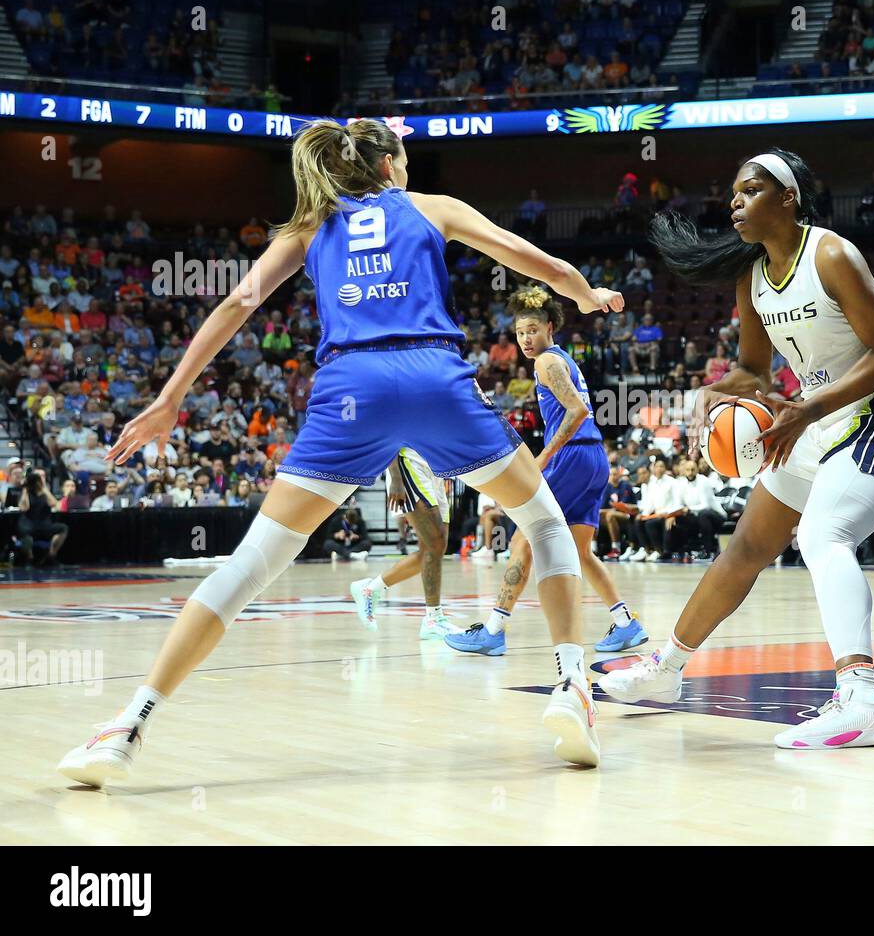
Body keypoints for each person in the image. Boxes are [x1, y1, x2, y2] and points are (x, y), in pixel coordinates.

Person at [58, 118, 622, 787]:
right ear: (388, 165)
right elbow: (541, 263)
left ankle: (129, 722)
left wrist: (172, 396)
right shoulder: (430, 207)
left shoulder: (309, 226)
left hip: (350, 390)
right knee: (547, 527)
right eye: (405, 156)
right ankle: (572, 690)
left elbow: (241, 300)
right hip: (432, 379)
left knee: (250, 566)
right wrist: (583, 292)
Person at [601, 148, 874, 751]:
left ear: (789, 199)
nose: (736, 201)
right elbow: (754, 369)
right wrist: (715, 389)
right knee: (747, 546)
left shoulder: (830, 254)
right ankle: (666, 672)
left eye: (751, 190)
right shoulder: (750, 276)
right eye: (733, 193)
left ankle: (864, 700)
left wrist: (807, 408)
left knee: (822, 537)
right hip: (814, 418)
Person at [445, 285, 647, 656]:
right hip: (593, 459)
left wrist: (544, 456)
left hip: (570, 456)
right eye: (520, 332)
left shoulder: (546, 362)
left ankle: (493, 630)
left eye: (533, 330)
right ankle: (626, 623)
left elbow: (578, 411)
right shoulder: (561, 360)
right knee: (582, 552)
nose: (525, 338)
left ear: (550, 327)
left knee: (524, 538)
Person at [348, 448, 463, 640]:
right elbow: (389, 430)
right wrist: (395, 476)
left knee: (434, 549)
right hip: (409, 462)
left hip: (435, 465)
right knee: (433, 545)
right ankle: (433, 619)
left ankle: (370, 589)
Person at [16, 469, 69, 566]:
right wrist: (25, 490)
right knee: (23, 532)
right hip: (29, 525)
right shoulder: (25, 493)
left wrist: (44, 489)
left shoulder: (45, 493)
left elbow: (55, 505)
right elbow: (24, 508)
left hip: (44, 525)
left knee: (63, 528)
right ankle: (29, 558)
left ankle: (51, 555)